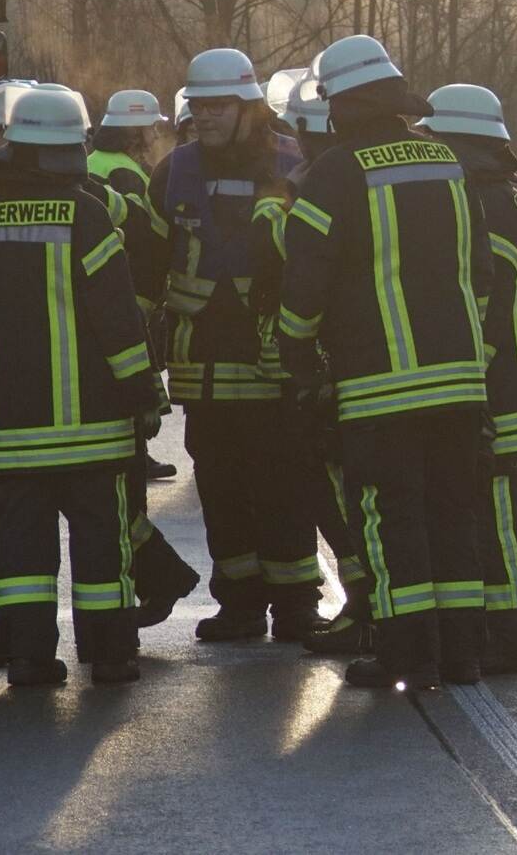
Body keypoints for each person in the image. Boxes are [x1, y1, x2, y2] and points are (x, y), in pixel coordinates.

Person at [277, 34, 492, 690]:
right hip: (459, 383)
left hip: (379, 389)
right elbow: (480, 274)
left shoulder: (335, 174)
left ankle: (404, 653)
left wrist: (297, 356)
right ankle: (460, 655)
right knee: (454, 511)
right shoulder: (450, 161)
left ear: (340, 105)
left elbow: (304, 284)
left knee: (390, 514)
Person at [0, 87, 165, 687]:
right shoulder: (86, 212)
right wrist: (140, 390)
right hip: (91, 427)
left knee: (21, 551)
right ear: (71, 149)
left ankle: (27, 658)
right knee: (101, 544)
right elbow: (117, 316)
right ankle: (111, 654)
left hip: (9, 429)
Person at [152, 48, 324, 643]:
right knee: (220, 491)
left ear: (248, 106)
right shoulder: (172, 171)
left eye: (217, 105)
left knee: (284, 485)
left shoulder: (292, 163)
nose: (204, 116)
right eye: (197, 105)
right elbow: (148, 268)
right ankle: (241, 605)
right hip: (201, 364)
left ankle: (297, 603)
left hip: (272, 361)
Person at [247, 81, 376, 656]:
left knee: (342, 492)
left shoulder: (321, 186)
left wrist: (270, 210)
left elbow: (292, 257)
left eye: (299, 132)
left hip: (328, 368)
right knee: (339, 491)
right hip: (349, 362)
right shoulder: (356, 177)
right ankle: (368, 600)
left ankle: (367, 601)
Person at [418, 84, 517, 674]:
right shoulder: (497, 193)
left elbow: (489, 302)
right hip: (502, 388)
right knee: (489, 514)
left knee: (496, 518)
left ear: (459, 141)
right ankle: (494, 633)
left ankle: (509, 638)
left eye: (436, 138)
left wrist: (473, 385)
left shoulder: (486, 200)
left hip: (498, 392)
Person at [86, 89, 201, 626]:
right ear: (135, 134)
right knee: (117, 491)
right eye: (150, 131)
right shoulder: (128, 176)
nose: (156, 139)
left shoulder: (92, 166)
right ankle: (164, 578)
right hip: (122, 321)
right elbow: (150, 248)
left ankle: (159, 579)